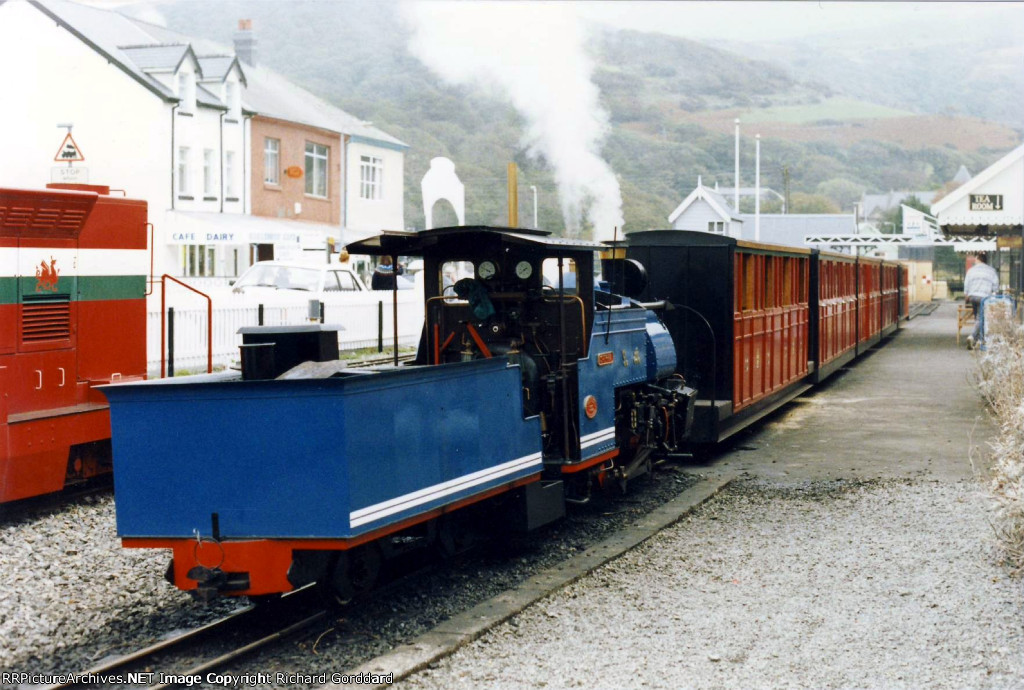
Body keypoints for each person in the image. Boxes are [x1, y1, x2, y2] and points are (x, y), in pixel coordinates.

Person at [963, 252, 999, 348]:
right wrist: (994, 293)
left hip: (973, 296)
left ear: (979, 260)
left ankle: (977, 339)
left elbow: (966, 283)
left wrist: (966, 295)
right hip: (984, 297)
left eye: (975, 259)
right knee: (981, 317)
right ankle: (973, 337)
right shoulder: (991, 271)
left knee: (977, 317)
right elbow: (996, 286)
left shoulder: (971, 270)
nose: (974, 261)